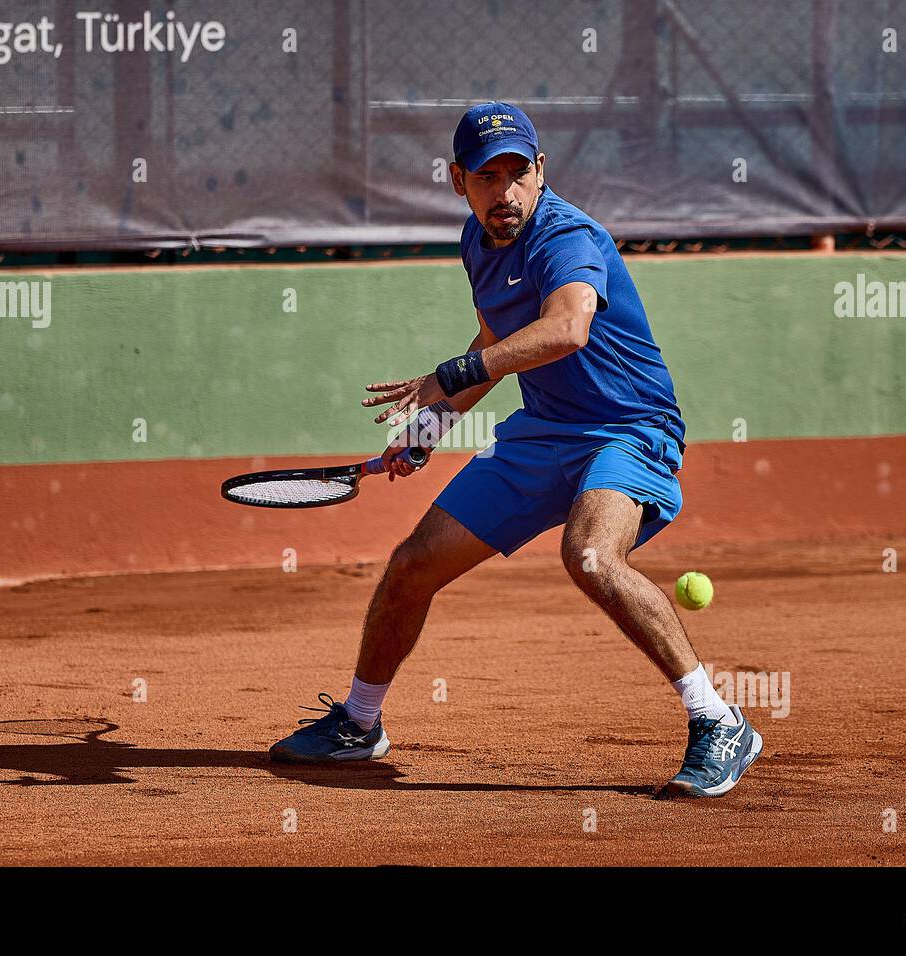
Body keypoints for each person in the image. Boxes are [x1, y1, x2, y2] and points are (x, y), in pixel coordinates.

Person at [269, 102, 761, 797]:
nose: (505, 193)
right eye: (486, 177)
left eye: (517, 174)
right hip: (544, 433)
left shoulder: (567, 237)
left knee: (590, 554)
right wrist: (431, 429)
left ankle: (718, 721)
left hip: (629, 428)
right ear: (457, 180)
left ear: (540, 171)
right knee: (412, 566)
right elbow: (494, 342)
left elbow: (567, 329)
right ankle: (359, 724)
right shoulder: (478, 241)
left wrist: (453, 376)